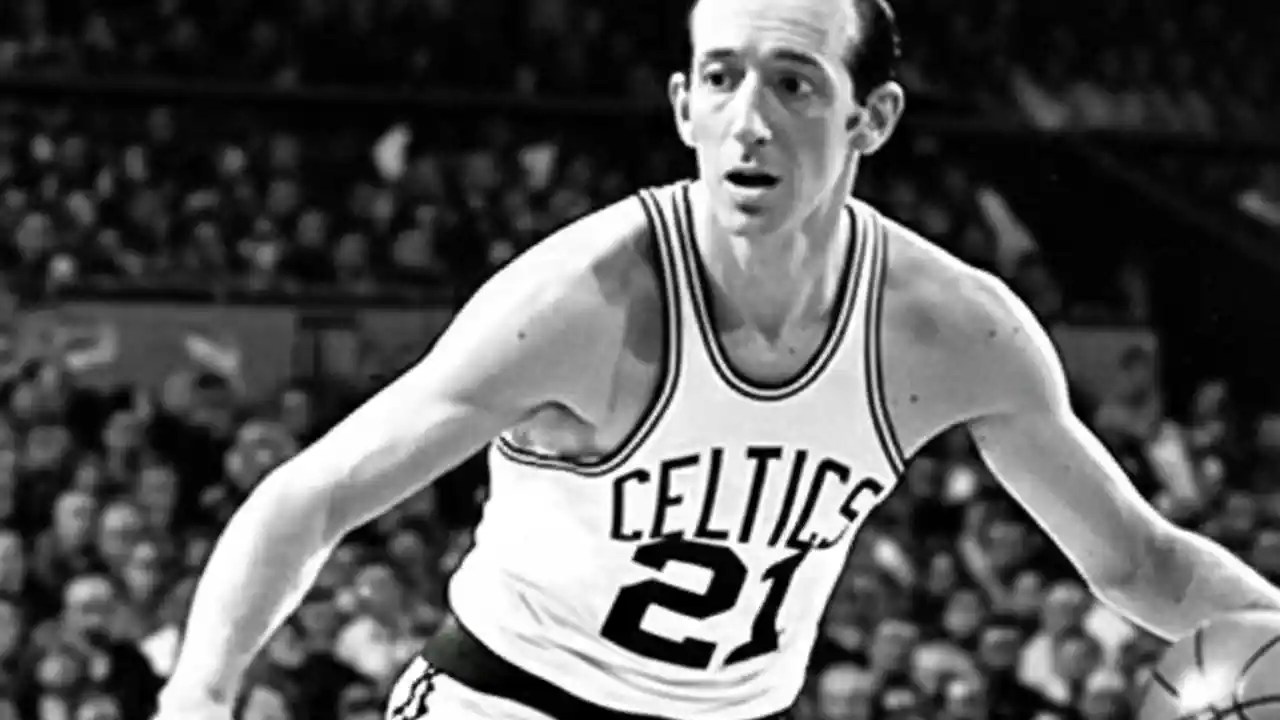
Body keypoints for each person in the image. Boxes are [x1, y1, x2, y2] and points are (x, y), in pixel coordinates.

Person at [156, 0, 1280, 718]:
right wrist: (198, 698)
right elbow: (311, 498)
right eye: (721, 78)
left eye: (792, 83)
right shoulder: (580, 299)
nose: (749, 119)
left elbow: (1142, 566)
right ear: (683, 105)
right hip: (507, 699)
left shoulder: (952, 329)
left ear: (870, 119)